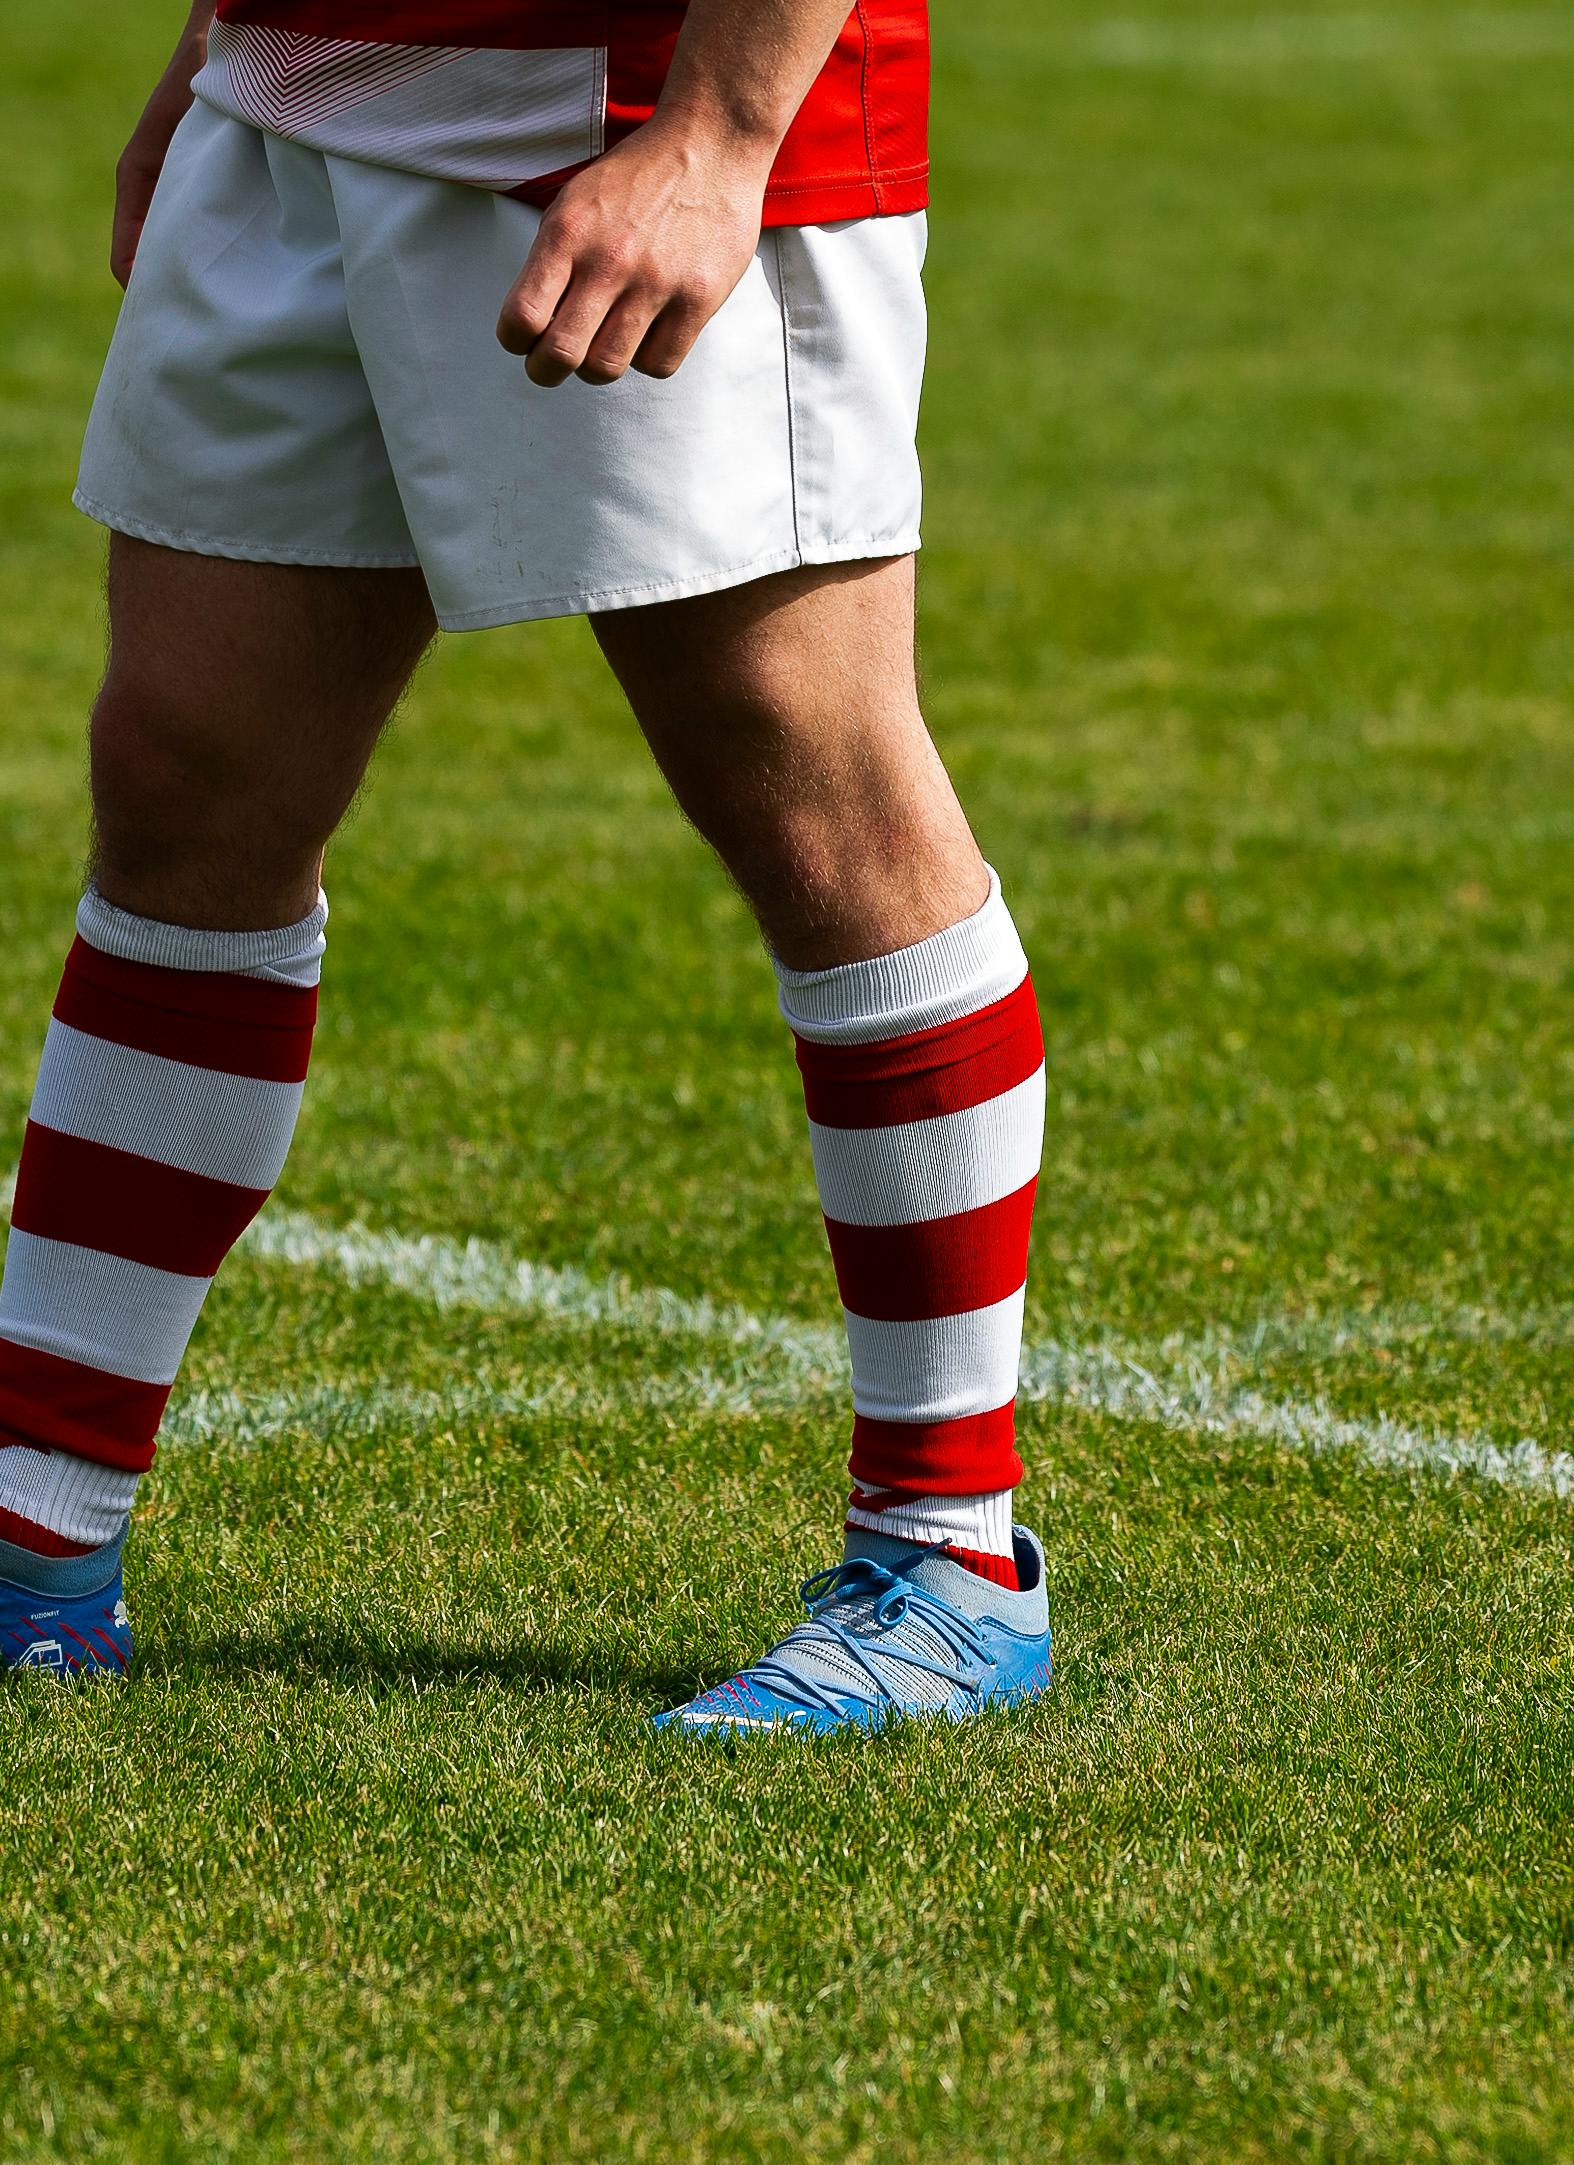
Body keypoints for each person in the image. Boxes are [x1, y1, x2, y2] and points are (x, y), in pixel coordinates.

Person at [0, 0, 1051, 1728]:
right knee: (189, 776)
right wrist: (211, 46)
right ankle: (38, 1515)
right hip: (302, 87)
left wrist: (716, 136)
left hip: (632, 105)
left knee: (808, 780)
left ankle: (950, 1552)